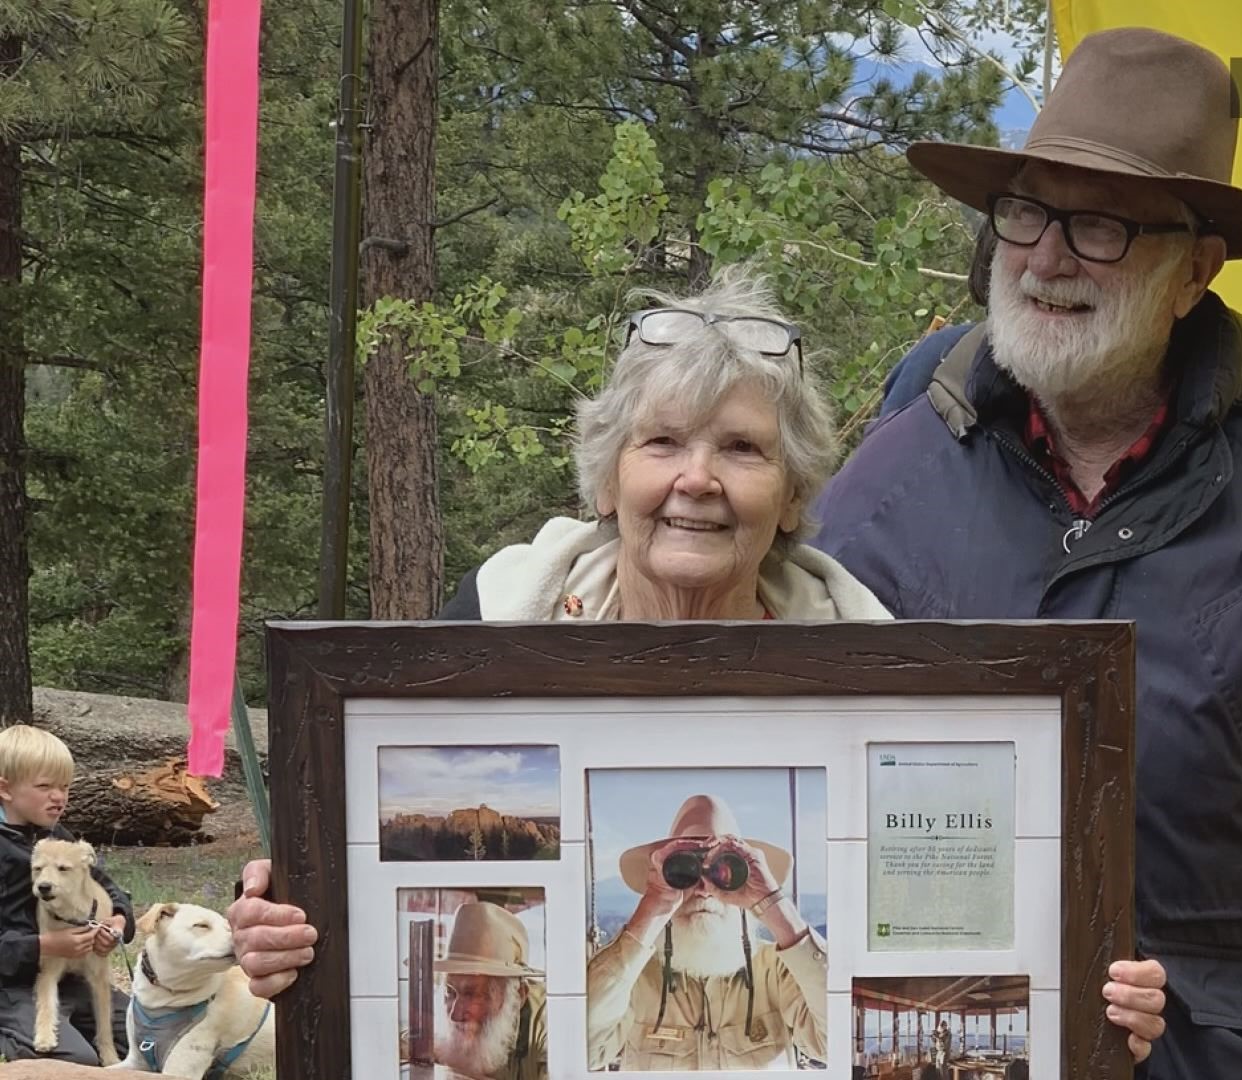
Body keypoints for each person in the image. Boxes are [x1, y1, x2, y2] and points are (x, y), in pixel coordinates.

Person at [225, 268, 1170, 1059]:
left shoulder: (889, 681)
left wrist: (1081, 1007)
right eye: (663, 441)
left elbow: (881, 1026)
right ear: (607, 475)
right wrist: (294, 922)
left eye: (743, 450)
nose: (697, 480)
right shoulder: (492, 625)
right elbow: (554, 1041)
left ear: (794, 497)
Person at [814, 26, 1242, 1079]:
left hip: (1239, 1053)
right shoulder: (898, 471)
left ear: (1194, 271)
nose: (1048, 256)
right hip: (950, 1041)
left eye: (1104, 226)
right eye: (1027, 211)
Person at [586, 793, 823, 1069]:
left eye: (724, 872)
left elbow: (832, 1042)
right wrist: (652, 907)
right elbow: (583, 1048)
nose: (704, 890)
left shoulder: (777, 970)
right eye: (685, 871)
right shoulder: (636, 977)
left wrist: (772, 903)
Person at [0, 725, 133, 1065]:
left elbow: (106, 886)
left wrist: (117, 923)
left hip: (72, 977)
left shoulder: (56, 835)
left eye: (64, 787)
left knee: (150, 1034)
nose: (58, 797)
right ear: (5, 789)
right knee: (73, 1062)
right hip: (11, 988)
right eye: (45, 786)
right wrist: (42, 946)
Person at [430, 900, 548, 1080]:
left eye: (472, 994)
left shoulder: (551, 1023)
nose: (455, 1014)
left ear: (517, 996)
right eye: (449, 992)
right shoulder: (446, 1032)